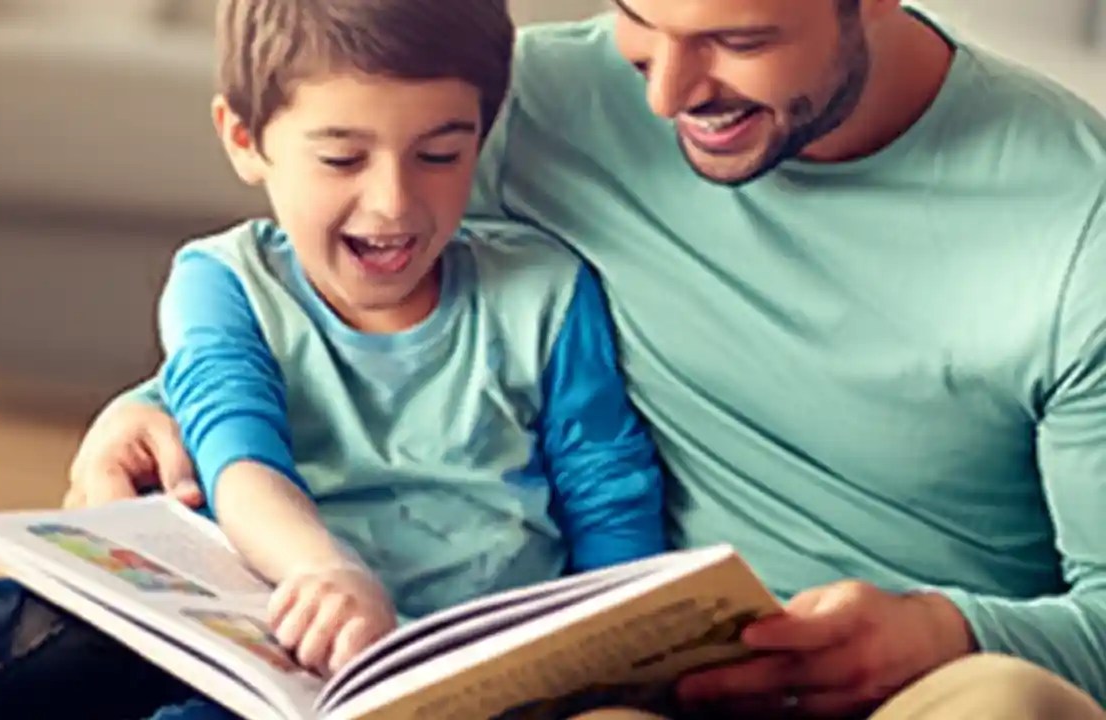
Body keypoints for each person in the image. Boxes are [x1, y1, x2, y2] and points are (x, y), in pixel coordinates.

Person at [69, 0, 1106, 718]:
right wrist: (153, 402)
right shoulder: (543, 103)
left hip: (914, 694)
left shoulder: (1076, 222)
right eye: (641, 28)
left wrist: (944, 633)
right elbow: (357, 277)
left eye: (735, 39)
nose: (664, 100)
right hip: (632, 683)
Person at [0, 0, 671, 718]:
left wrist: (600, 655)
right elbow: (238, 461)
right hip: (242, 634)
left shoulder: (547, 292)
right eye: (342, 158)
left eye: (441, 155)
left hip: (445, 679)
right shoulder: (223, 282)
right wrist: (327, 572)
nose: (394, 201)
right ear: (244, 136)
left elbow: (608, 491)